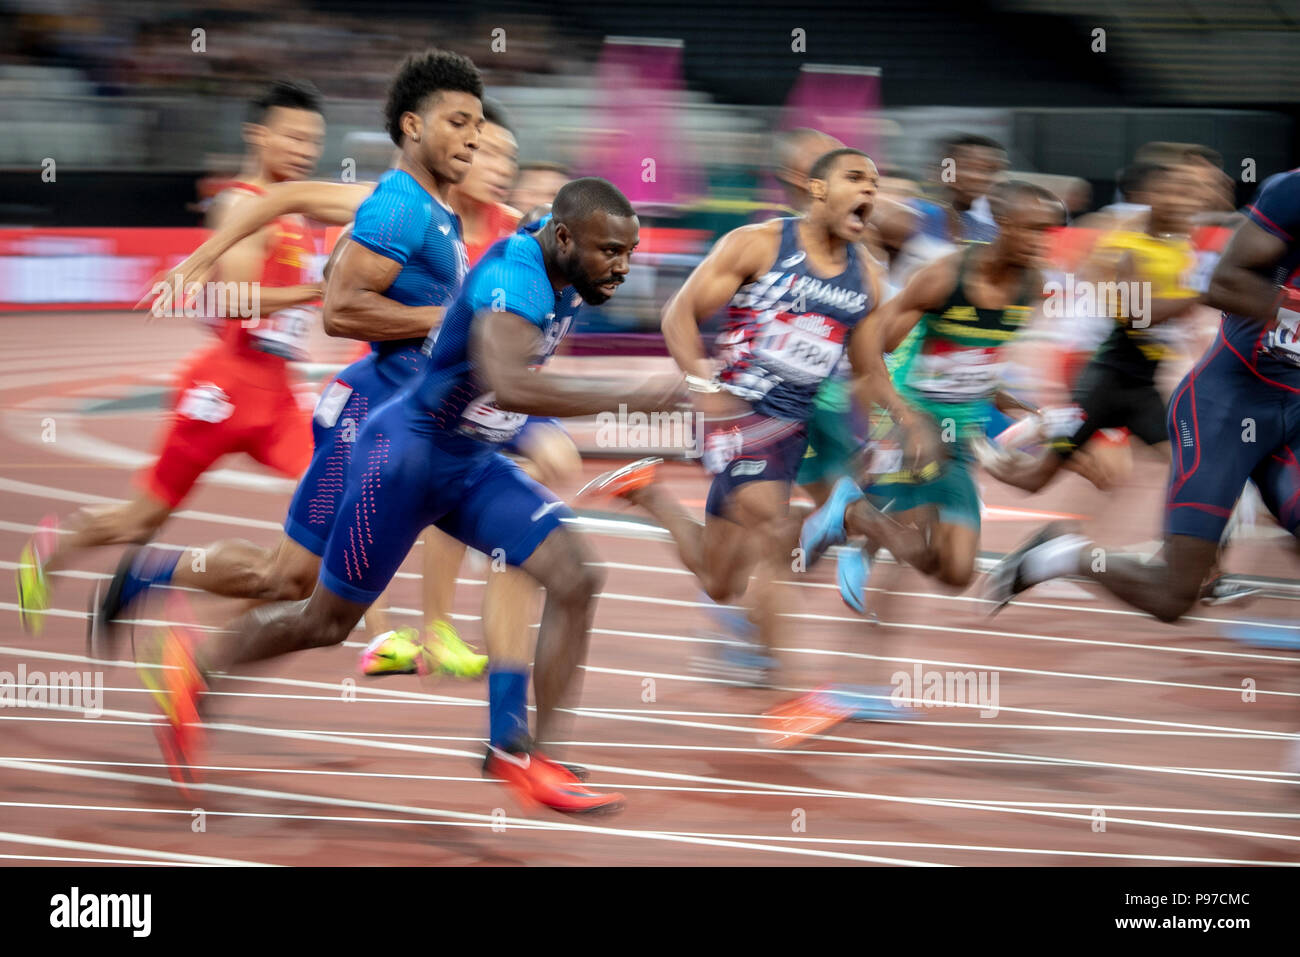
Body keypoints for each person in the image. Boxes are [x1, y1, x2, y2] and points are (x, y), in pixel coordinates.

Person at [147, 178, 683, 814]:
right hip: (403, 460)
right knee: (322, 622)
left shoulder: (559, 254)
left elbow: (542, 225)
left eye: (629, 252)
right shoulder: (517, 279)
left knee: (575, 576)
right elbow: (511, 385)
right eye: (611, 253)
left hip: (469, 463)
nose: (623, 269)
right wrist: (638, 393)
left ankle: (524, 753)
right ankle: (197, 665)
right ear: (565, 239)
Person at [83, 50, 488, 680]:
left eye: (480, 129)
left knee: (288, 578)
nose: (475, 140)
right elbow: (286, 198)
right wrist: (200, 258)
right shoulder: (392, 200)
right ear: (415, 126)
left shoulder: (449, 218)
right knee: (307, 587)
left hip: (387, 412)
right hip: (362, 414)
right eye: (461, 124)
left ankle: (161, 587)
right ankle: (211, 658)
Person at [581, 148, 929, 682]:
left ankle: (647, 492)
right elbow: (680, 313)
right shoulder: (760, 244)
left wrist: (905, 418)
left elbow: (867, 368)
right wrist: (702, 387)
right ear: (817, 189)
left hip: (792, 428)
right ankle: (791, 689)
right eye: (855, 178)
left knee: (719, 579)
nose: (869, 192)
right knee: (777, 529)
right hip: (736, 412)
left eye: (875, 185)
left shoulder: (867, 279)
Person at [16, 78, 326, 635]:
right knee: (143, 518)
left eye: (313, 141)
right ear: (258, 136)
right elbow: (235, 301)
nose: (305, 150)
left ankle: (214, 636)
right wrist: (313, 293)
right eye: (294, 137)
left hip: (278, 398)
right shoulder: (240, 204)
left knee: (337, 499)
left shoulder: (296, 210)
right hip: (222, 392)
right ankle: (49, 552)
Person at [986, 169, 1300, 622]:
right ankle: (1059, 549)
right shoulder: (1130, 244)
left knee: (1158, 476)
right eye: (1176, 188)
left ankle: (1211, 554)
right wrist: (1183, 298)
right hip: (1129, 383)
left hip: (1171, 389)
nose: (1186, 199)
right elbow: (1198, 295)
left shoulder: (1186, 244)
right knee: (1170, 595)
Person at [801, 181, 1065, 593]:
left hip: (958, 434)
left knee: (954, 573)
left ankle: (859, 519)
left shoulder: (1032, 287)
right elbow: (870, 344)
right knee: (906, 527)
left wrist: (1017, 406)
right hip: (911, 421)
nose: (1042, 243)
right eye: (1033, 230)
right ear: (1005, 225)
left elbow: (978, 360)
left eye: (1048, 233)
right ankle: (856, 519)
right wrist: (902, 416)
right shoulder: (944, 277)